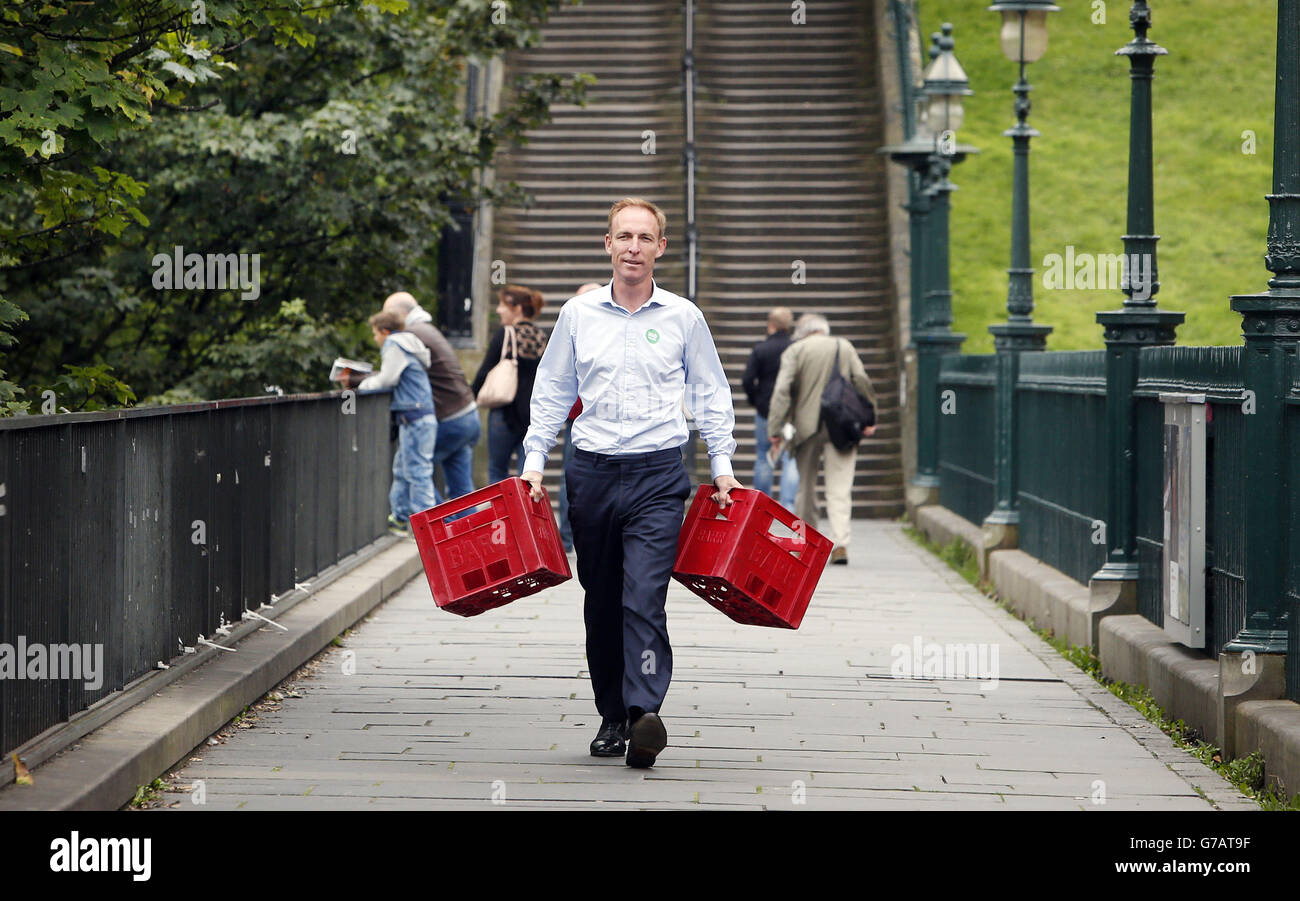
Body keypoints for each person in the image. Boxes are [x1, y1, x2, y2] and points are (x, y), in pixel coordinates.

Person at [521, 197, 739, 769]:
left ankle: (644, 713)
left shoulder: (684, 317)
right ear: (608, 244)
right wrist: (533, 463)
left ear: (661, 248)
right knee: (601, 597)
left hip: (659, 473)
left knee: (644, 593)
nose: (633, 247)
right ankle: (611, 713)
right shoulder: (578, 314)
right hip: (590, 471)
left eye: (645, 238)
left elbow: (711, 394)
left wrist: (722, 467)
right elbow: (550, 391)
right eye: (624, 237)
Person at [766, 313, 876, 565]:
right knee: (839, 488)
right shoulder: (844, 346)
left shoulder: (796, 351)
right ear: (824, 330)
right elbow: (862, 381)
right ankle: (839, 543)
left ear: (802, 332)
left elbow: (782, 390)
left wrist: (775, 427)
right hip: (843, 425)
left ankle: (805, 542)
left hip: (807, 428)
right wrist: (869, 417)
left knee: (805, 487)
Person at [381, 292, 480, 505]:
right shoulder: (427, 330)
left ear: (401, 313)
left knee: (412, 471)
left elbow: (392, 374)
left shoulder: (409, 335)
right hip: (468, 415)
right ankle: (466, 535)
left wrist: (357, 379)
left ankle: (435, 525)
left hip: (449, 419)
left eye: (387, 313)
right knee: (462, 491)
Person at [349, 310, 437, 537]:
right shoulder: (410, 342)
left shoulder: (394, 344)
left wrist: (362, 385)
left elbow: (388, 379)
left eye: (375, 334)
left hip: (414, 417)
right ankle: (398, 518)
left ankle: (426, 532)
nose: (375, 339)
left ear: (385, 331)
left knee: (417, 473)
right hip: (420, 417)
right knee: (402, 469)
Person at [471, 285, 548, 484]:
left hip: (504, 412)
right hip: (533, 414)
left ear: (518, 308)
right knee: (528, 476)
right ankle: (526, 514)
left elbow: (484, 371)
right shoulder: (542, 337)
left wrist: (472, 396)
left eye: (503, 305)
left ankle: (502, 516)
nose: (498, 310)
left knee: (497, 472)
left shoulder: (504, 334)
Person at [557, 281, 604, 553]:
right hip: (579, 419)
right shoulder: (573, 331)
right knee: (571, 478)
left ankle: (574, 535)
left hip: (594, 417)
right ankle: (568, 535)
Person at [742, 306, 800, 511]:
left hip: (765, 410)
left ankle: (762, 507)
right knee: (791, 457)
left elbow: (748, 379)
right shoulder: (797, 349)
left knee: (763, 455)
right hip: (792, 413)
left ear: (771, 325)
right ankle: (788, 506)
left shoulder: (761, 349)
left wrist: (756, 400)